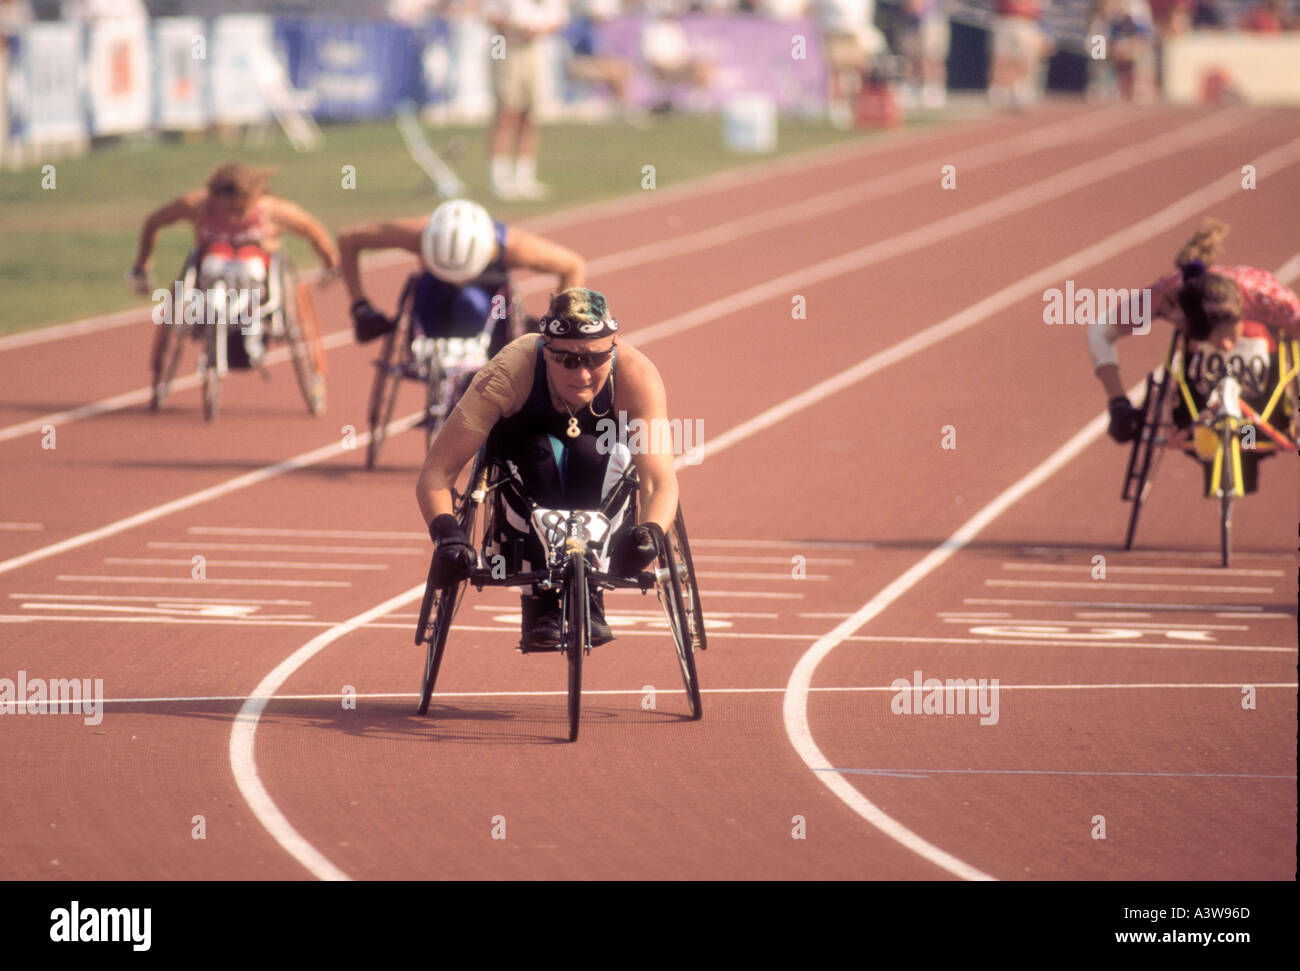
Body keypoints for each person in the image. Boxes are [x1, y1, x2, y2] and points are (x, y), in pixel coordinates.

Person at [415, 287, 681, 651]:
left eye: (596, 359)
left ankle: (592, 589)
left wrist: (649, 534)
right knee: (539, 453)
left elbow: (658, 481)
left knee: (592, 453)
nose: (584, 374)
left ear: (614, 346)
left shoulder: (637, 376)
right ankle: (538, 599)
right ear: (545, 348)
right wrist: (447, 534)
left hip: (601, 464)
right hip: (526, 460)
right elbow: (437, 472)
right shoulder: (508, 373)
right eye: (568, 360)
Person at [1089, 218, 1300, 488]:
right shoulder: (1164, 297)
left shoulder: (1268, 298)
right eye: (1212, 338)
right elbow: (1100, 332)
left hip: (1264, 379)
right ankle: (1202, 422)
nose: (1225, 347)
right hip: (1197, 385)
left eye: (1230, 336)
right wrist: (1118, 402)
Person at [130, 161, 339, 370]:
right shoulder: (197, 205)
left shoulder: (269, 209)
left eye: (239, 208)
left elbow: (312, 229)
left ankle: (254, 328)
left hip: (256, 279)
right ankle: (211, 321)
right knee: (210, 267)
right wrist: (142, 265)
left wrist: (330, 264)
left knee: (253, 270)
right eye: (226, 207)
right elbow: (153, 222)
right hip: (212, 275)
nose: (232, 214)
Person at [339, 198, 585, 353]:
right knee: (438, 296)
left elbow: (573, 266)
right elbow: (348, 239)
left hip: (488, 311)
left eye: (462, 274)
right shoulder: (417, 234)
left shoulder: (511, 246)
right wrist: (360, 307)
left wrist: (557, 326)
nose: (458, 280)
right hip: (433, 302)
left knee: (470, 301)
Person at [482, 0, 569, 200]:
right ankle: (499, 178)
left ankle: (524, 178)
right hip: (506, 47)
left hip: (536, 49)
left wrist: (540, 29)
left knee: (529, 115)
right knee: (506, 112)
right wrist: (518, 28)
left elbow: (559, 19)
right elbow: (489, 16)